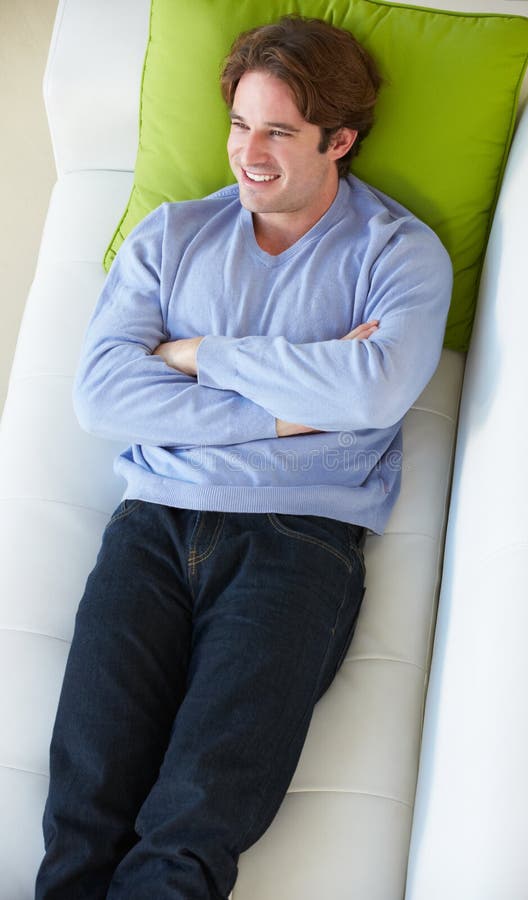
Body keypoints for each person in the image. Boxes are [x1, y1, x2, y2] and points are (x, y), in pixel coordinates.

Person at [36, 14, 452, 900]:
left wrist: (196, 355)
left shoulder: (399, 253)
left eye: (278, 132)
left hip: (300, 545)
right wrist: (292, 413)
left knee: (192, 824)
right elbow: (102, 396)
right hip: (151, 525)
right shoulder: (170, 237)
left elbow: (373, 392)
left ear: (340, 140)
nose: (248, 154)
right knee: (81, 816)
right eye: (238, 125)